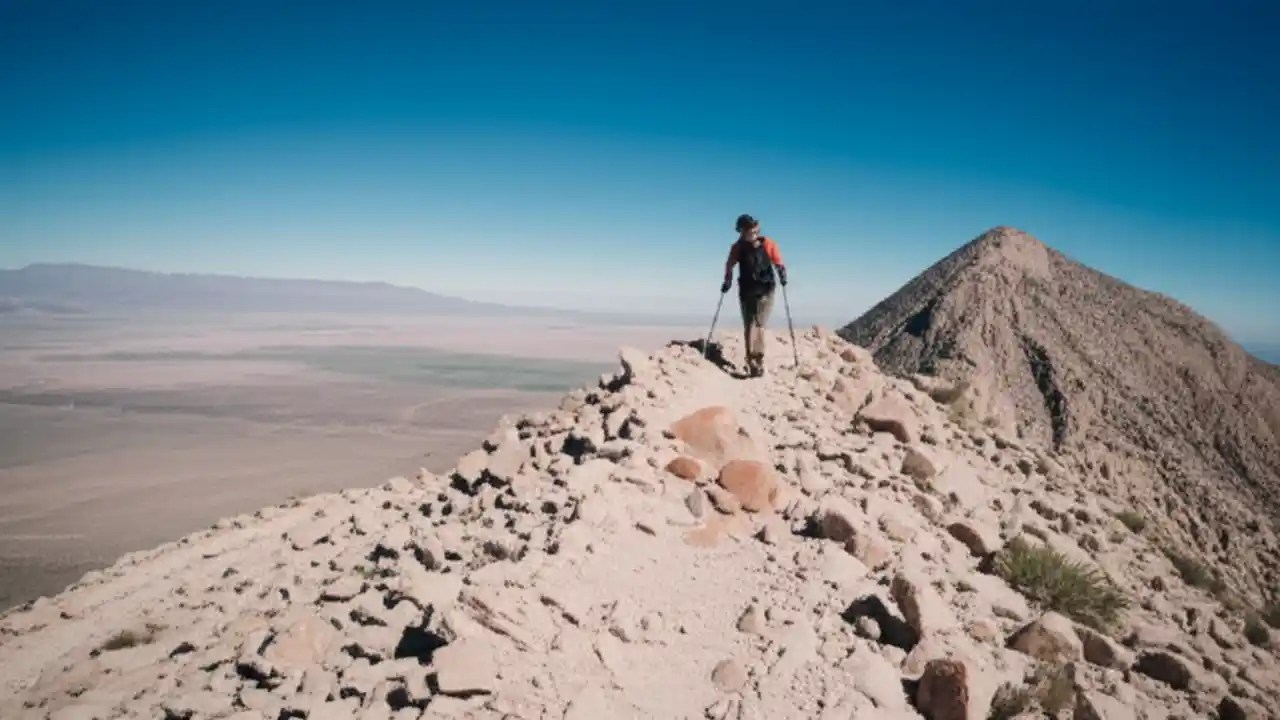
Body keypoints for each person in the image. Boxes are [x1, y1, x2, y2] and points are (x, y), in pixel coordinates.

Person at [721, 213, 787, 377]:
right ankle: (753, 362)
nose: (751, 231)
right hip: (747, 291)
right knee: (750, 326)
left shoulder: (768, 244)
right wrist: (727, 281)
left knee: (758, 324)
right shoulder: (737, 248)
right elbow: (729, 265)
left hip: (766, 290)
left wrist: (782, 273)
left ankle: (757, 360)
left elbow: (778, 261)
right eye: (747, 229)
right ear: (742, 232)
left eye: (753, 228)